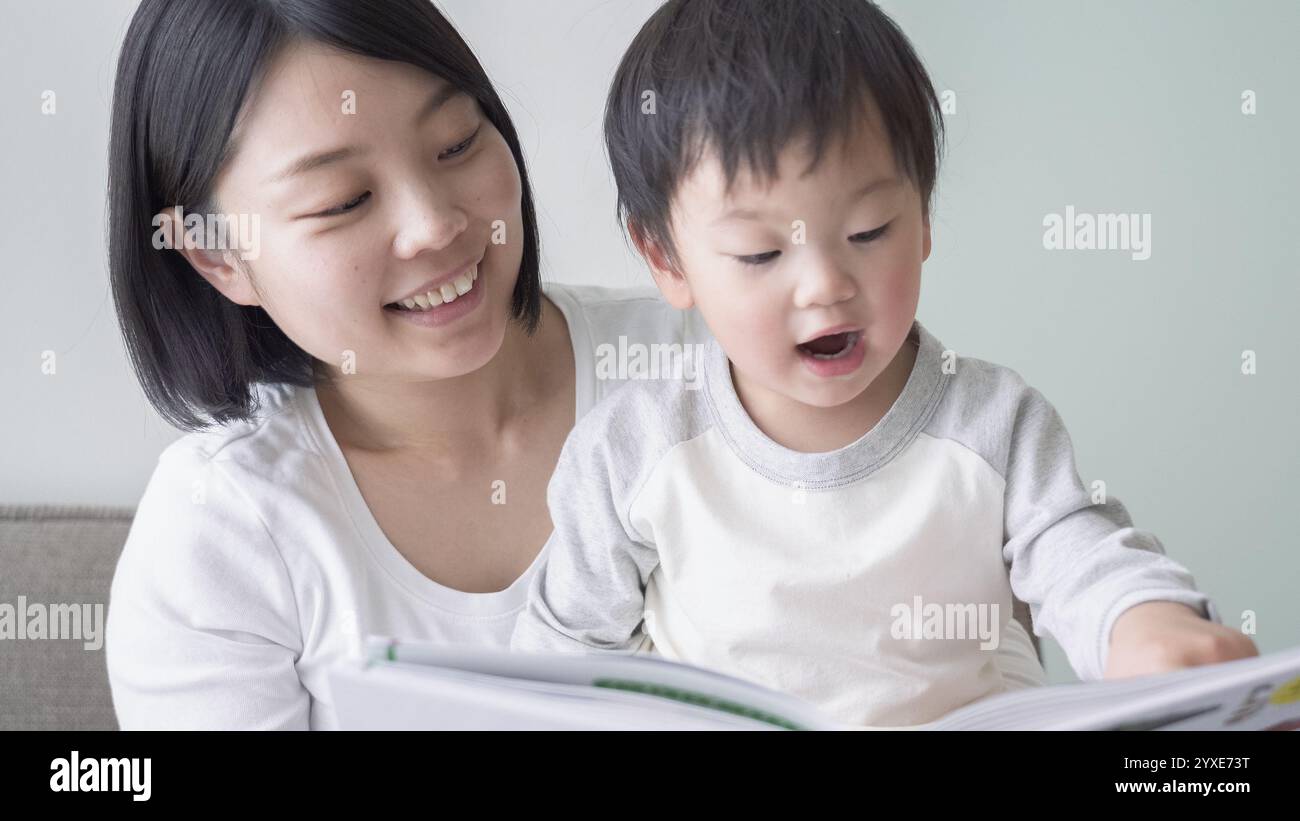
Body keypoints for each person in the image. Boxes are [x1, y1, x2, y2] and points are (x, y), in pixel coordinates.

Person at [510, 0, 1258, 727]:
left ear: (924, 215)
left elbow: (1082, 556)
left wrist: (1146, 626)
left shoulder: (993, 424)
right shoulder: (633, 452)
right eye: (762, 253)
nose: (825, 284)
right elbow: (560, 660)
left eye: (868, 231)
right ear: (665, 258)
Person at [104, 0, 706, 730]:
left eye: (455, 144)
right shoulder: (221, 533)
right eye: (344, 200)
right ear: (215, 254)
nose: (435, 225)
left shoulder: (710, 365)